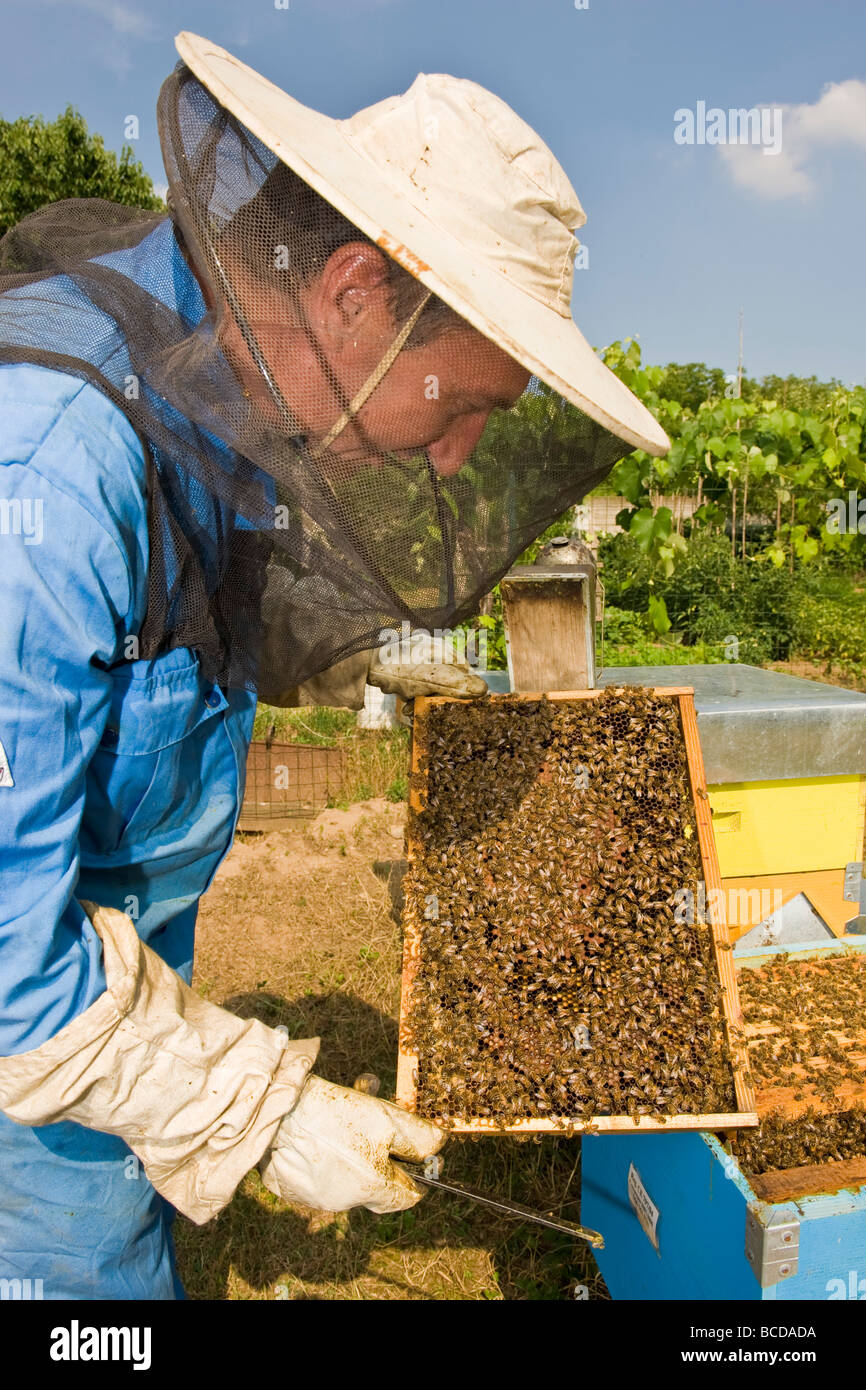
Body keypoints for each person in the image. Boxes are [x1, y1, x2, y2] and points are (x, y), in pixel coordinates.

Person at [0, 33, 669, 1299]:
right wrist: (257, 1113)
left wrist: (384, 675)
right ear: (358, 290)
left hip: (98, 1035)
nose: (460, 457)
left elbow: (187, 645)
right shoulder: (41, 474)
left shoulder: (222, 400)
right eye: (459, 401)